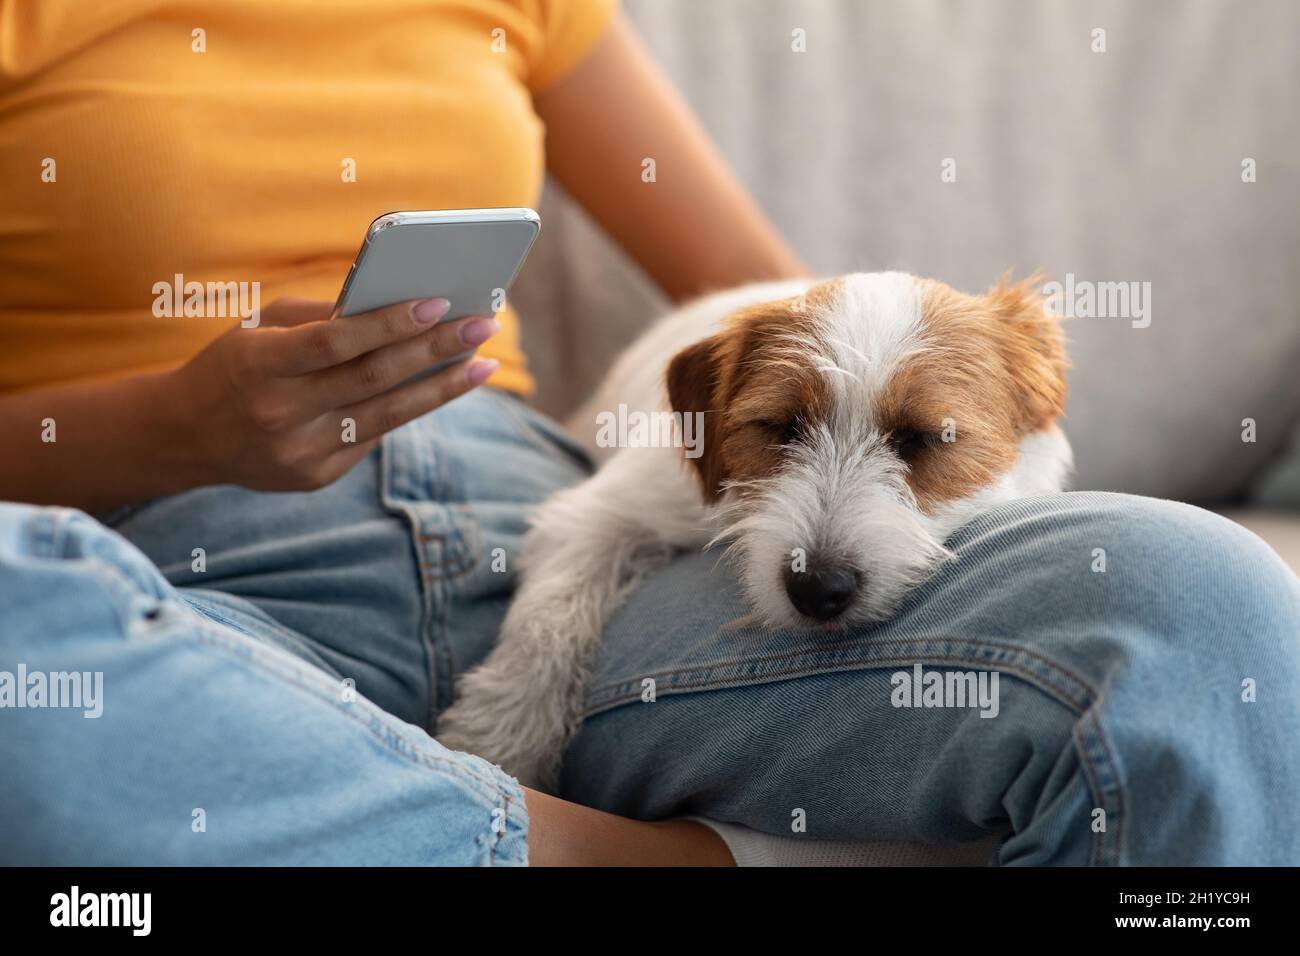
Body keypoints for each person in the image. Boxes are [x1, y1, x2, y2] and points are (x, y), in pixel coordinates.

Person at [1, 1, 1297, 866]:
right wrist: (181, 427)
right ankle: (632, 857)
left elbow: (789, 312)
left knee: (1206, 611)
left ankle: (396, 819)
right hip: (194, 585)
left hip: (588, 556)